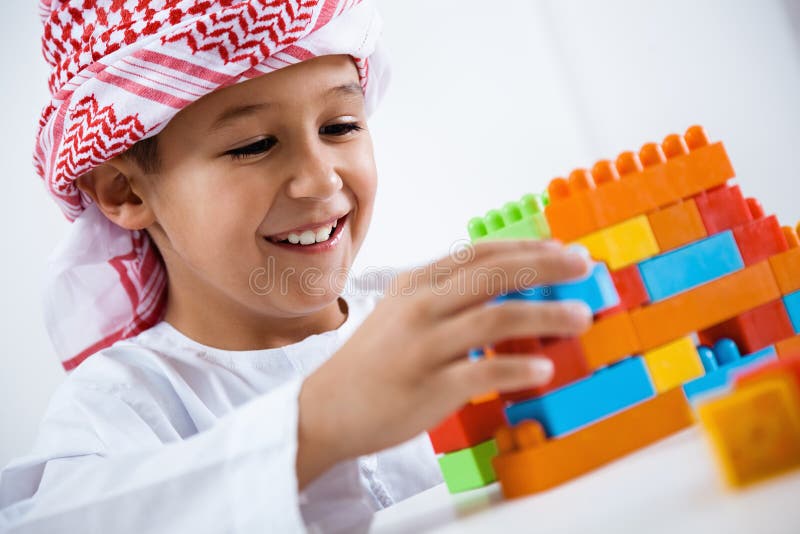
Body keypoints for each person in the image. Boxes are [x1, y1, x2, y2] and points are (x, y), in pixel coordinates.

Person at [0, 1, 593, 532]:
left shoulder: (434, 315)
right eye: (254, 145)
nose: (320, 180)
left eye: (340, 127)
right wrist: (316, 424)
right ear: (125, 191)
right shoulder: (119, 406)